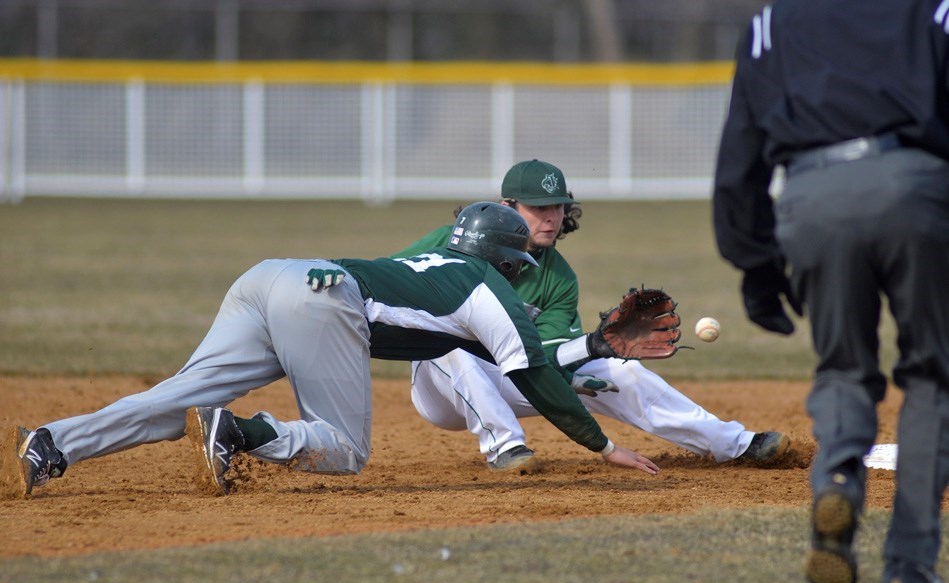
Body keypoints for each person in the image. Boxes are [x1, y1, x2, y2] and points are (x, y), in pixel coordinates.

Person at [5, 201, 660, 500]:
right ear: (506, 259)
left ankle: (51, 442)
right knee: (343, 448)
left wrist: (593, 343)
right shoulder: (489, 288)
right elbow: (534, 373)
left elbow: (520, 359)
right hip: (323, 300)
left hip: (271, 277)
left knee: (173, 399)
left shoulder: (439, 266)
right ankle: (238, 432)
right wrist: (602, 445)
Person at [712, 2, 949, 583]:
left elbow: (740, 155)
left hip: (813, 195)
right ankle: (909, 568)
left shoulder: (771, 23)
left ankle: (838, 481)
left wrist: (756, 263)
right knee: (932, 377)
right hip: (915, 186)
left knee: (844, 368)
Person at [392, 159, 791, 472]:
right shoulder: (450, 241)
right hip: (440, 390)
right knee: (450, 342)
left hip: (508, 378)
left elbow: (543, 358)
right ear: (507, 207)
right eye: (538, 207)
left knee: (620, 372)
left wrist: (592, 346)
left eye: (558, 206)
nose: (552, 217)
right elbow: (386, 286)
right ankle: (506, 447)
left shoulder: (558, 278)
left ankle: (735, 444)